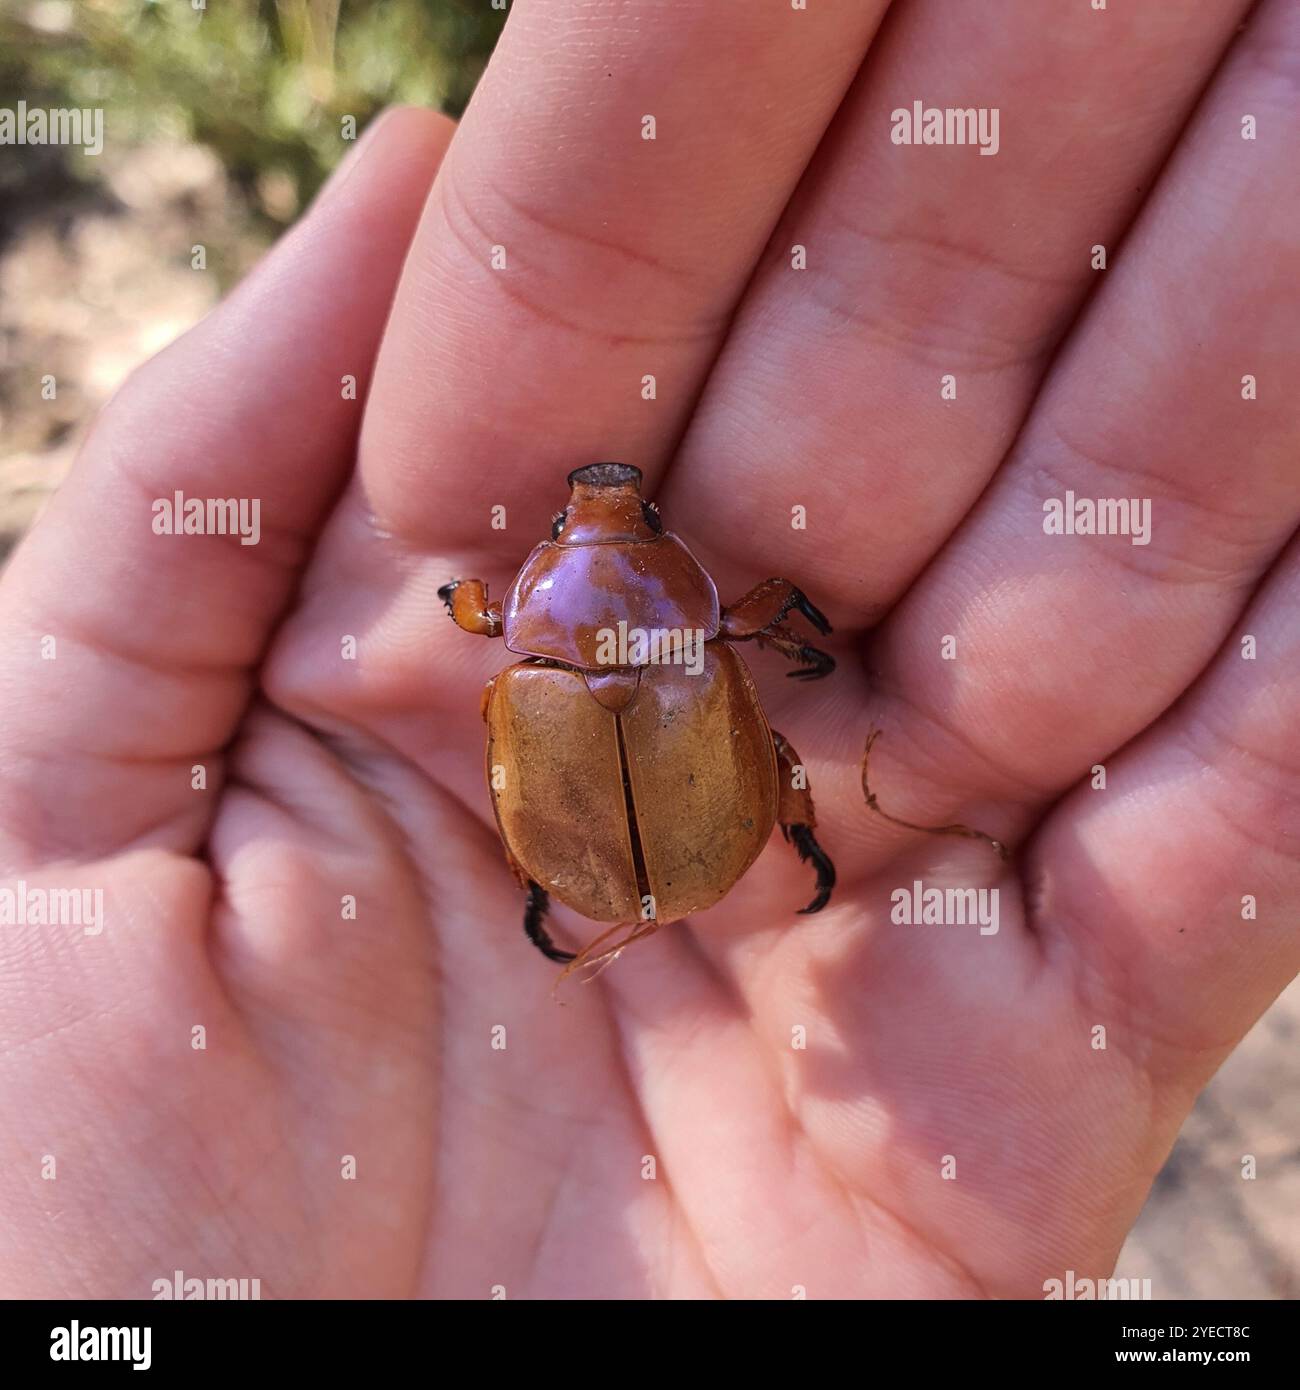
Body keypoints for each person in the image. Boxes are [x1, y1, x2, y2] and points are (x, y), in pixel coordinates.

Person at [0, 0, 1295, 1299]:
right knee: (769, 746)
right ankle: (789, 835)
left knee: (747, 747)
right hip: (670, 824)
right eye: (595, 521)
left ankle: (754, 843)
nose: (601, 505)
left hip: (607, 844)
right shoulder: (704, 632)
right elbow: (734, 639)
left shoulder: (513, 641)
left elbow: (469, 610)